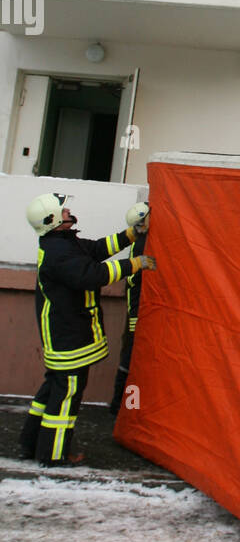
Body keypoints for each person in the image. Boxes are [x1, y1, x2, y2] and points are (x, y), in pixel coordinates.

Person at [21, 193, 156, 467]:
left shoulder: (61, 243)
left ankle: (30, 441)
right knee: (65, 399)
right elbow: (92, 274)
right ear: (53, 220)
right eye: (64, 209)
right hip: (68, 337)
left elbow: (96, 249)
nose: (69, 210)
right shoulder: (59, 254)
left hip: (64, 335)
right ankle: (54, 454)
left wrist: (131, 234)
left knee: (51, 391)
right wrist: (135, 264)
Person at [108, 202, 151, 418]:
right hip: (137, 314)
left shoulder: (143, 242)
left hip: (138, 311)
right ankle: (119, 405)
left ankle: (121, 405)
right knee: (131, 358)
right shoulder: (143, 244)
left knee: (131, 357)